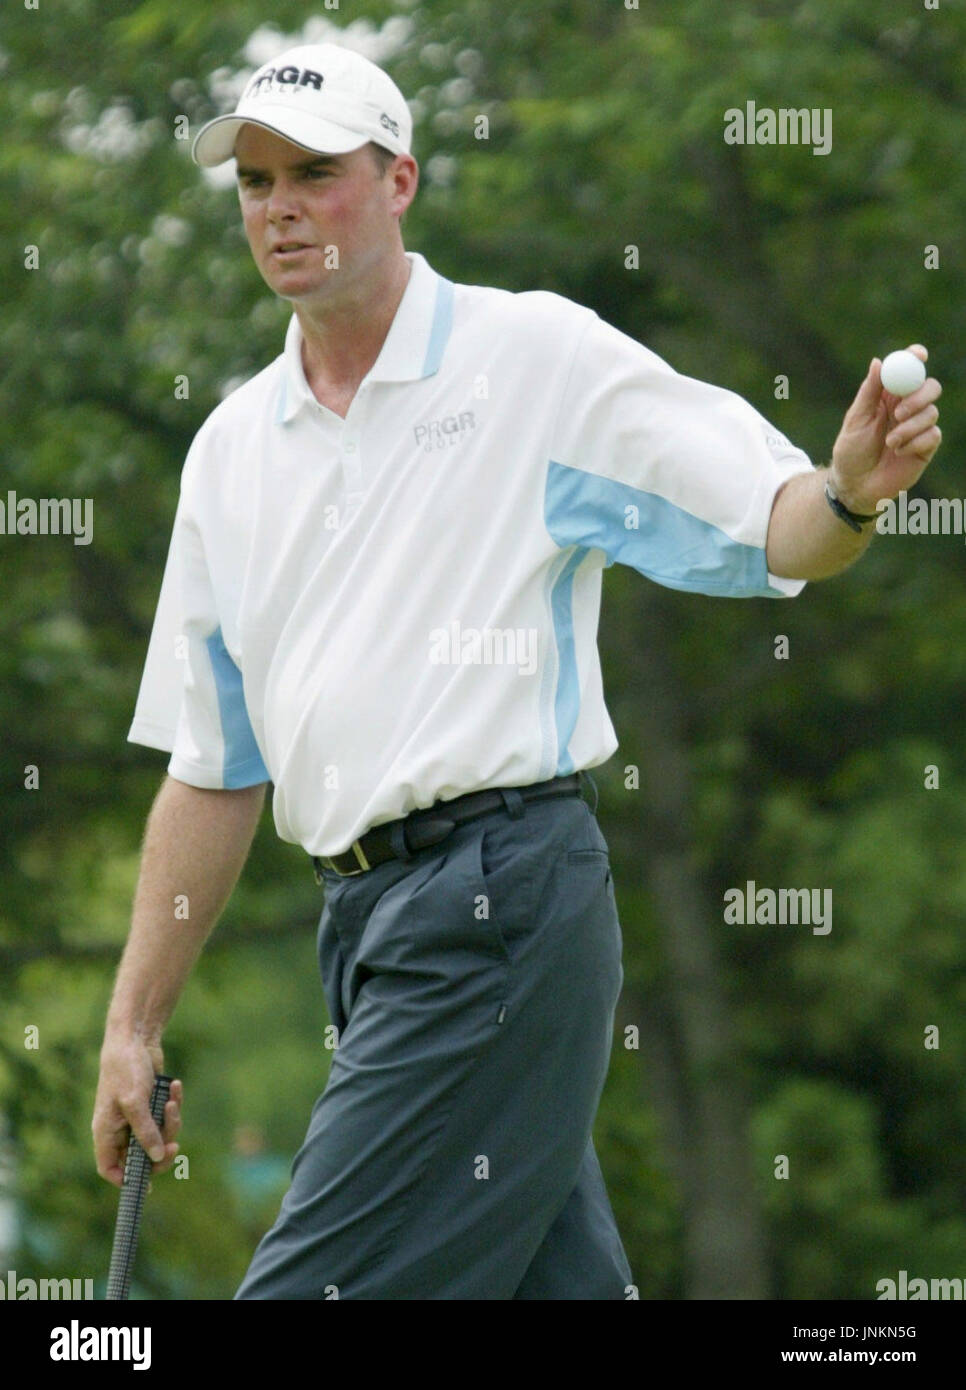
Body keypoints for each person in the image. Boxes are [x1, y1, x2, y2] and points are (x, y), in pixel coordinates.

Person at [92, 42, 943, 1300]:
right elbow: (215, 772)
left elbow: (772, 528)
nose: (279, 206)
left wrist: (848, 495)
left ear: (399, 182)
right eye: (256, 181)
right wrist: (130, 1020)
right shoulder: (229, 451)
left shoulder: (531, 358)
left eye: (315, 173)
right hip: (366, 929)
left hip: (496, 897)